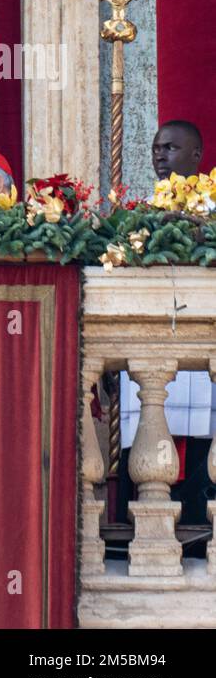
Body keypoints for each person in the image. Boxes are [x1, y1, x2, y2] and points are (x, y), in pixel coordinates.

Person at [116, 119, 213, 535]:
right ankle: (143, 533)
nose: (160, 155)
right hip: (149, 342)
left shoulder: (211, 209)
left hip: (201, 340)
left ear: (196, 155)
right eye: (156, 148)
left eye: (170, 148)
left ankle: (197, 531)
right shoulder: (138, 214)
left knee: (199, 447)